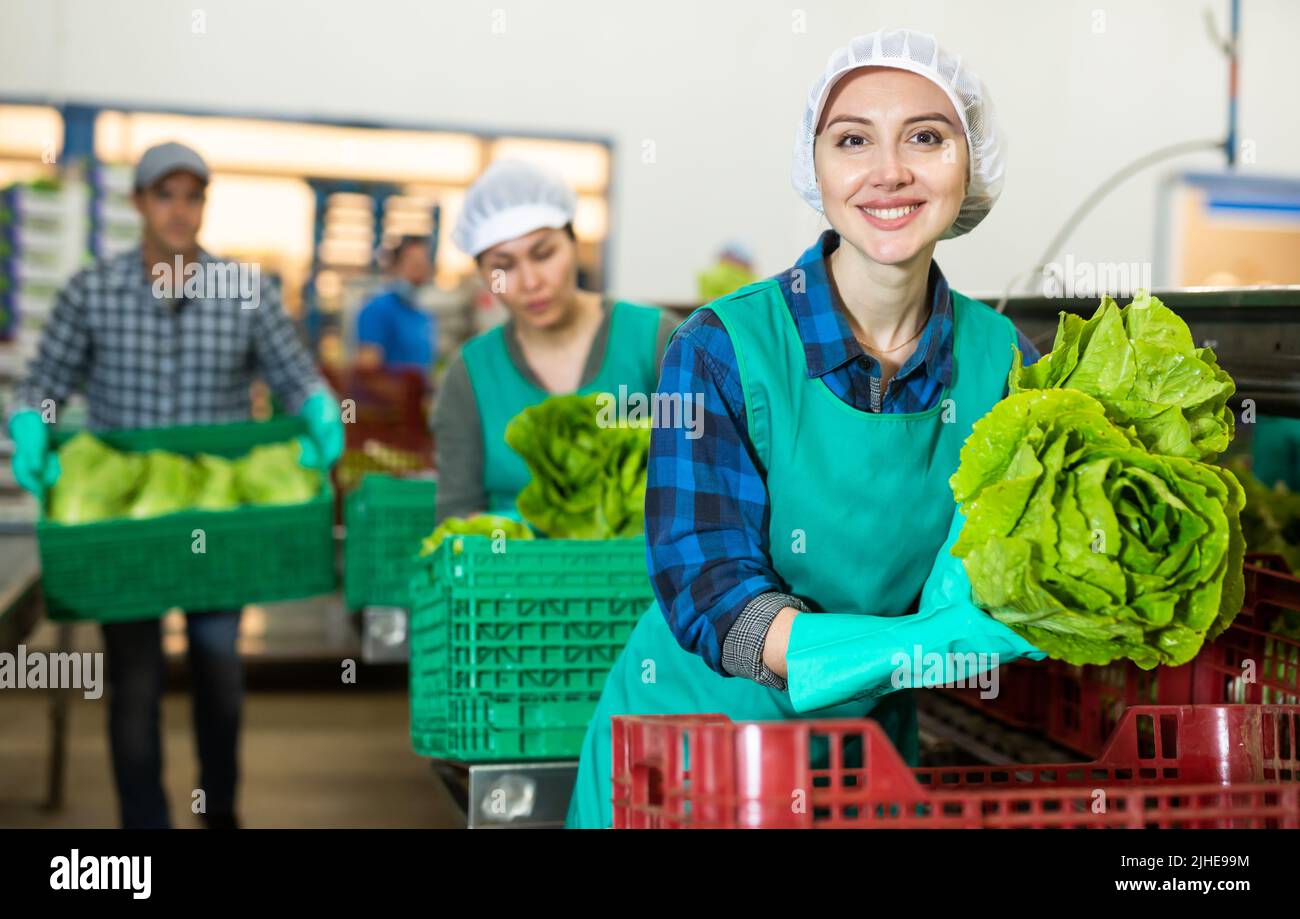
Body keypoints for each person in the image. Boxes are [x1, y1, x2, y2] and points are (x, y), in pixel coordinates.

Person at [567, 29, 1049, 828]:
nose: (889, 170)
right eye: (853, 139)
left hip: (862, 762)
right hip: (689, 756)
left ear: (969, 165)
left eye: (926, 137)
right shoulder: (723, 348)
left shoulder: (1005, 364)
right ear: (816, 167)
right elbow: (709, 585)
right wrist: (902, 649)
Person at [7, 141, 344, 829]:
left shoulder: (243, 291)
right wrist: (32, 424)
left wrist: (319, 406)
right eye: (166, 195)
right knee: (133, 681)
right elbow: (46, 383)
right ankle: (145, 829)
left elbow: (292, 373)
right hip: (124, 520)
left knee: (219, 665)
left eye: (193, 196)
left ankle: (218, 810)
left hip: (217, 519)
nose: (180, 210)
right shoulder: (91, 290)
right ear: (138, 202)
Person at [432, 160, 676, 522]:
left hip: (643, 575)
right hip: (510, 576)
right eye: (504, 266)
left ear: (574, 244)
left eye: (544, 254)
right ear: (482, 274)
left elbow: (707, 479)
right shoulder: (470, 376)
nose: (530, 282)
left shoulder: (656, 341)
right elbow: (458, 512)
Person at [355, 235, 437, 374]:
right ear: (395, 266)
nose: (421, 267)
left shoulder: (422, 315)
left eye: (424, 261)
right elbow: (367, 371)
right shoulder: (378, 309)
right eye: (414, 262)